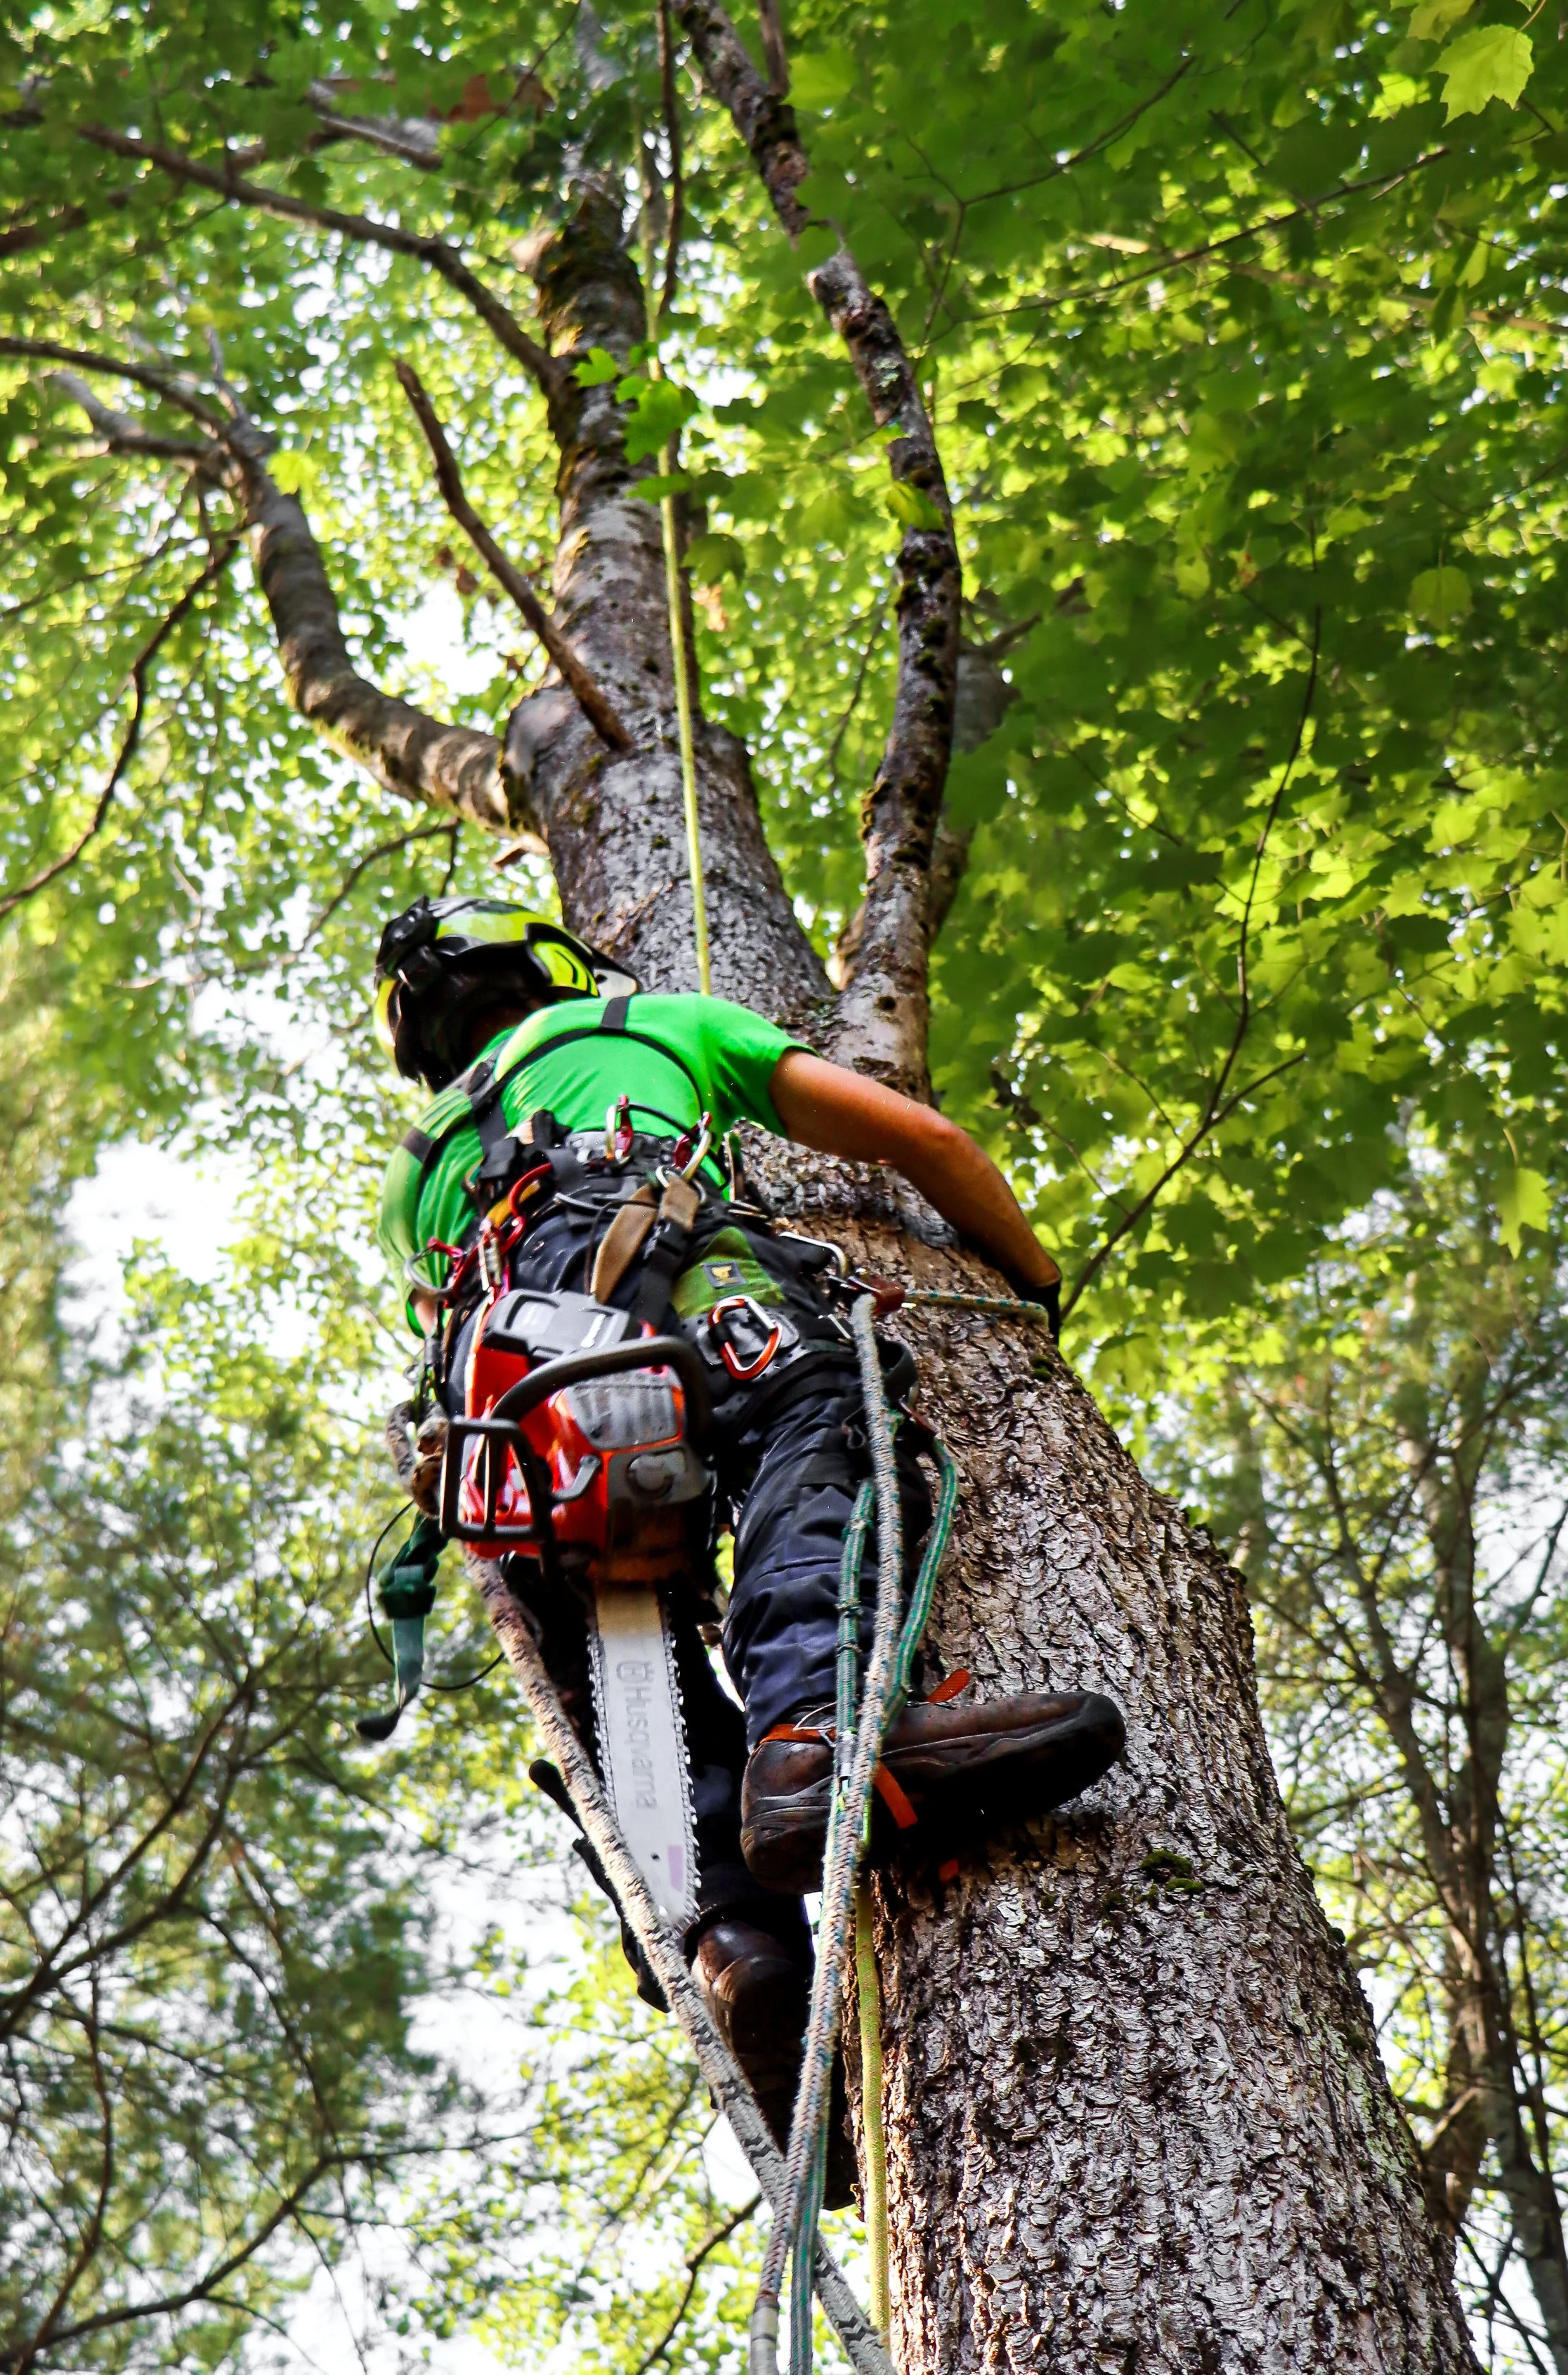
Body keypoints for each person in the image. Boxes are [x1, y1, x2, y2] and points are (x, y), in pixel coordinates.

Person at [372, 896, 1124, 2173]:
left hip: (497, 1392)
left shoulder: (416, 1170)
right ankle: (812, 1735)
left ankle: (730, 1944)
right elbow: (924, 1140)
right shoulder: (651, 1023)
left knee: (606, 1634)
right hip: (661, 1256)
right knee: (810, 1411)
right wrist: (1038, 1285)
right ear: (548, 966)